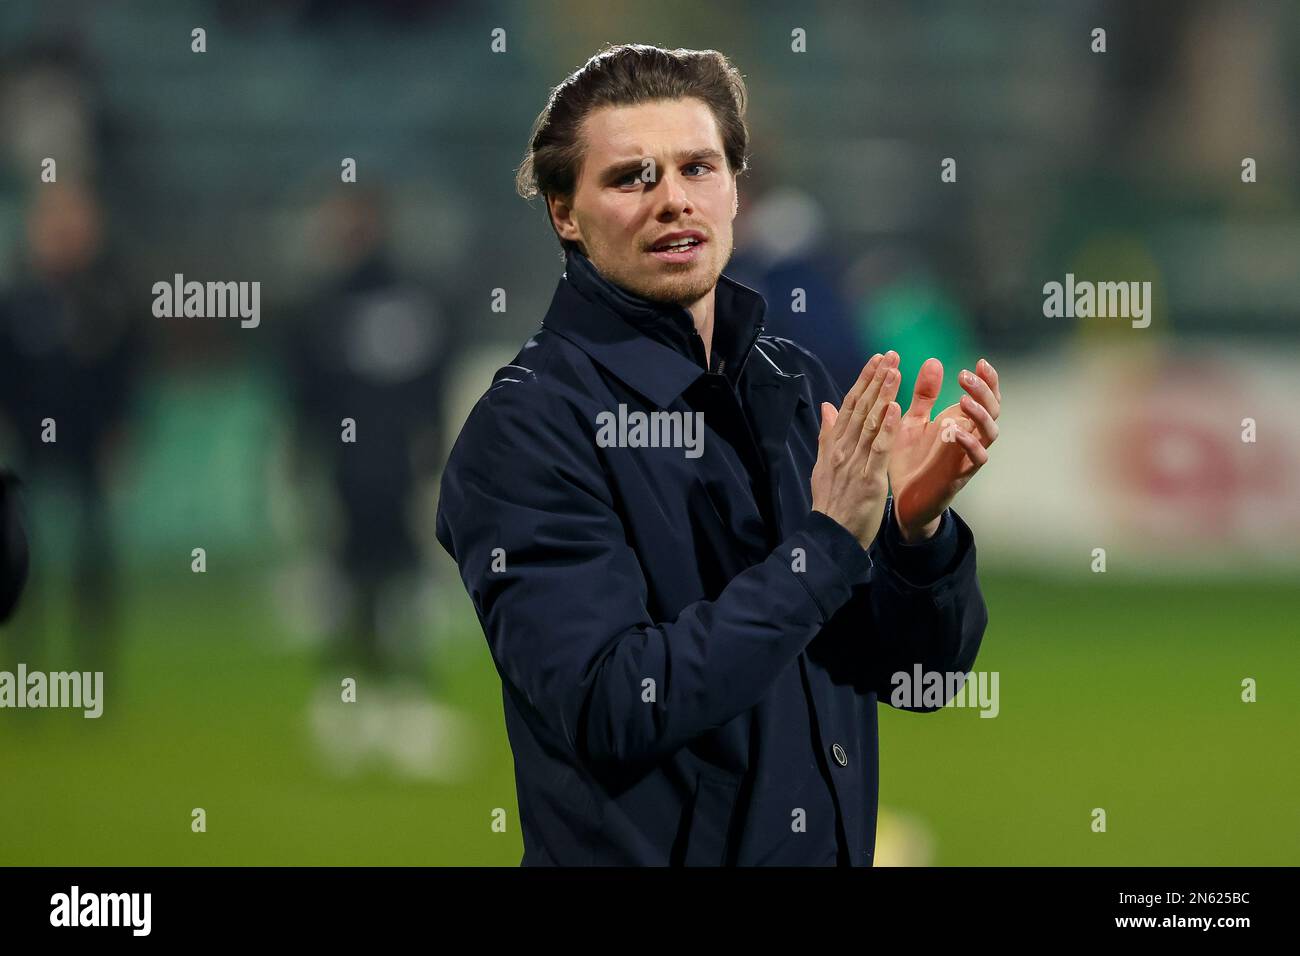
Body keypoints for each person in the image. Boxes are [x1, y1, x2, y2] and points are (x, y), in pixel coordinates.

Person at [435, 43, 1001, 865]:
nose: (673, 201)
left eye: (698, 167)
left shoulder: (793, 384)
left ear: (736, 187)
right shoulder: (526, 429)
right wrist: (829, 546)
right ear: (564, 212)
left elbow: (921, 676)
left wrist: (915, 539)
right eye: (631, 177)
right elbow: (612, 705)